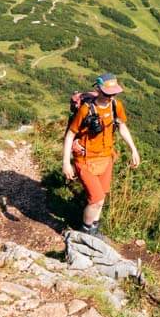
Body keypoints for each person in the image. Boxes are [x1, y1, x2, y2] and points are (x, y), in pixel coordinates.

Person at [62, 73, 140, 235]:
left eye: (114, 93)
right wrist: (66, 163)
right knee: (96, 199)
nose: (110, 97)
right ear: (98, 89)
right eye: (107, 93)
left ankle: (94, 230)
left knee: (101, 198)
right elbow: (70, 135)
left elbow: (122, 127)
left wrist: (133, 149)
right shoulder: (85, 109)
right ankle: (84, 232)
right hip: (85, 159)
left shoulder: (115, 106)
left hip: (106, 157)